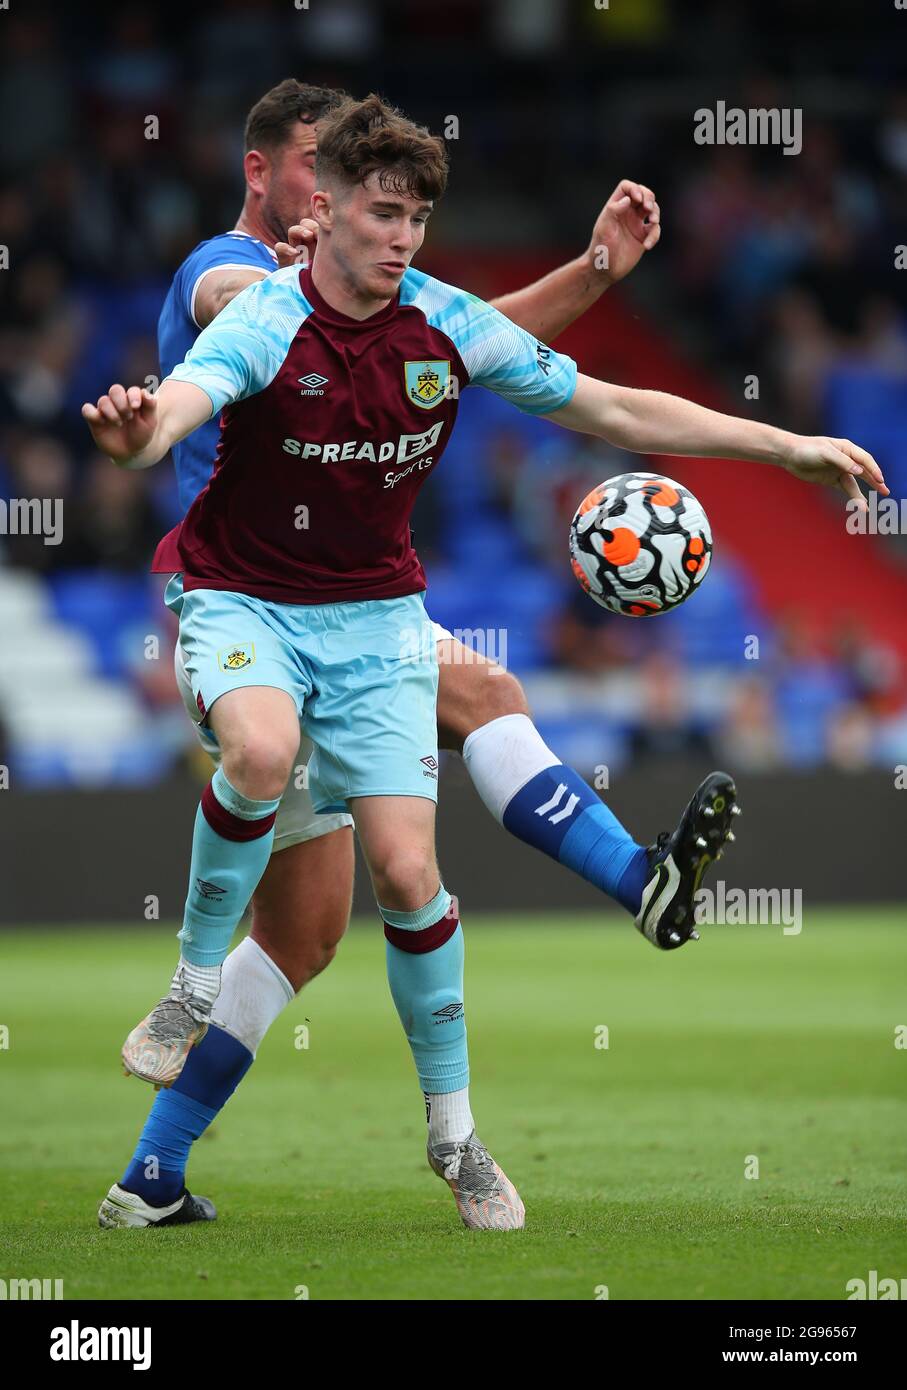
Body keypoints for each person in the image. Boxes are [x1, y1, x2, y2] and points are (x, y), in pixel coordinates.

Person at [84, 93, 885, 1232]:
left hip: (368, 616)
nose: (380, 225)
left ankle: (179, 1172)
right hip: (240, 599)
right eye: (352, 195)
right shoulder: (243, 283)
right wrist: (140, 427)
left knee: (333, 917)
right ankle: (191, 984)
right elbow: (208, 356)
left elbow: (558, 379)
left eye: (409, 212)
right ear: (287, 180)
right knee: (290, 753)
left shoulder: (422, 309)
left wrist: (778, 437)